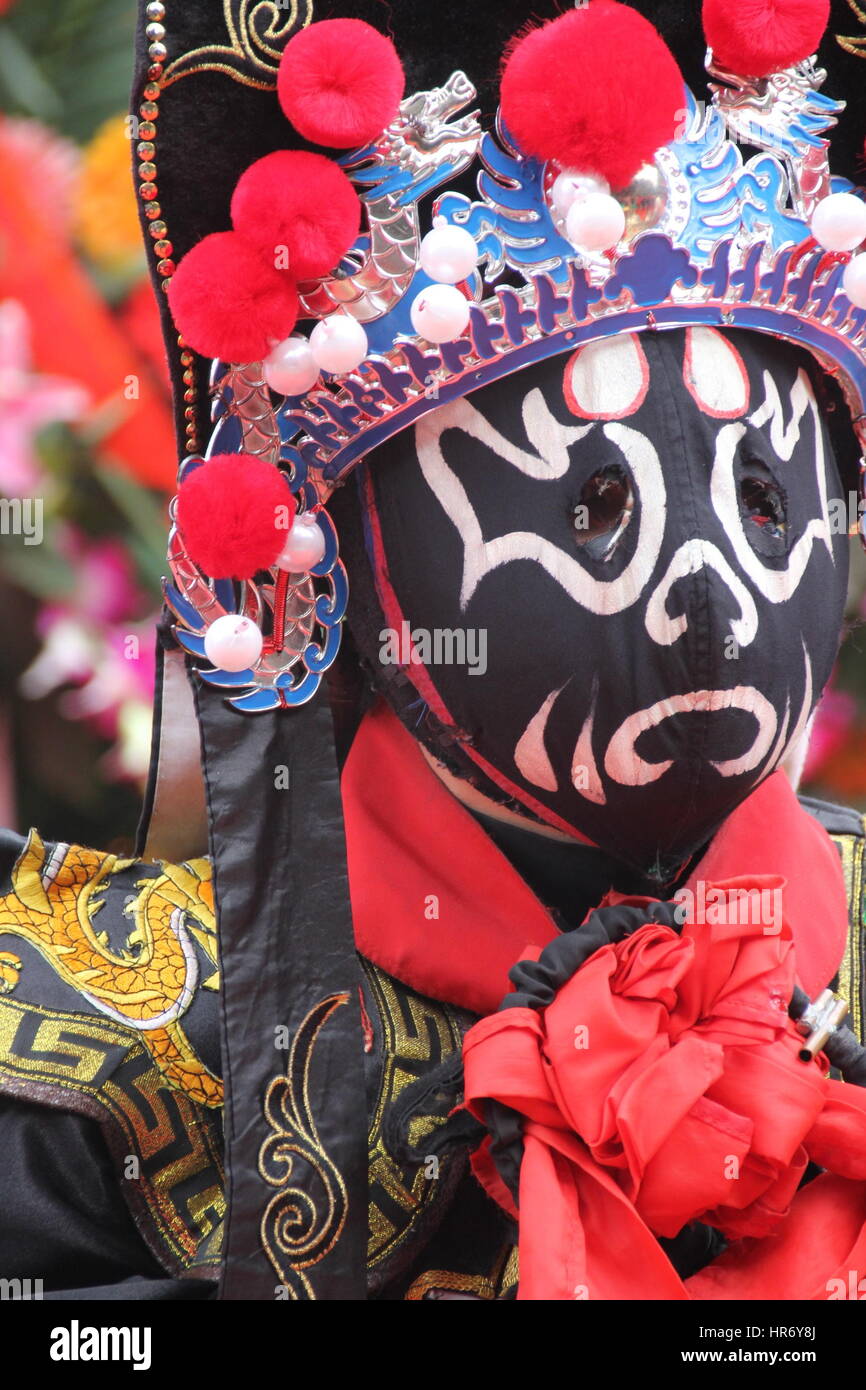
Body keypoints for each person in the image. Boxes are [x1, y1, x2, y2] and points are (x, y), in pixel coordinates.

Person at [3, 0, 866, 1301]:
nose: (714, 606)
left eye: (762, 504)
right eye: (593, 509)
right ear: (333, 574)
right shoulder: (134, 1034)